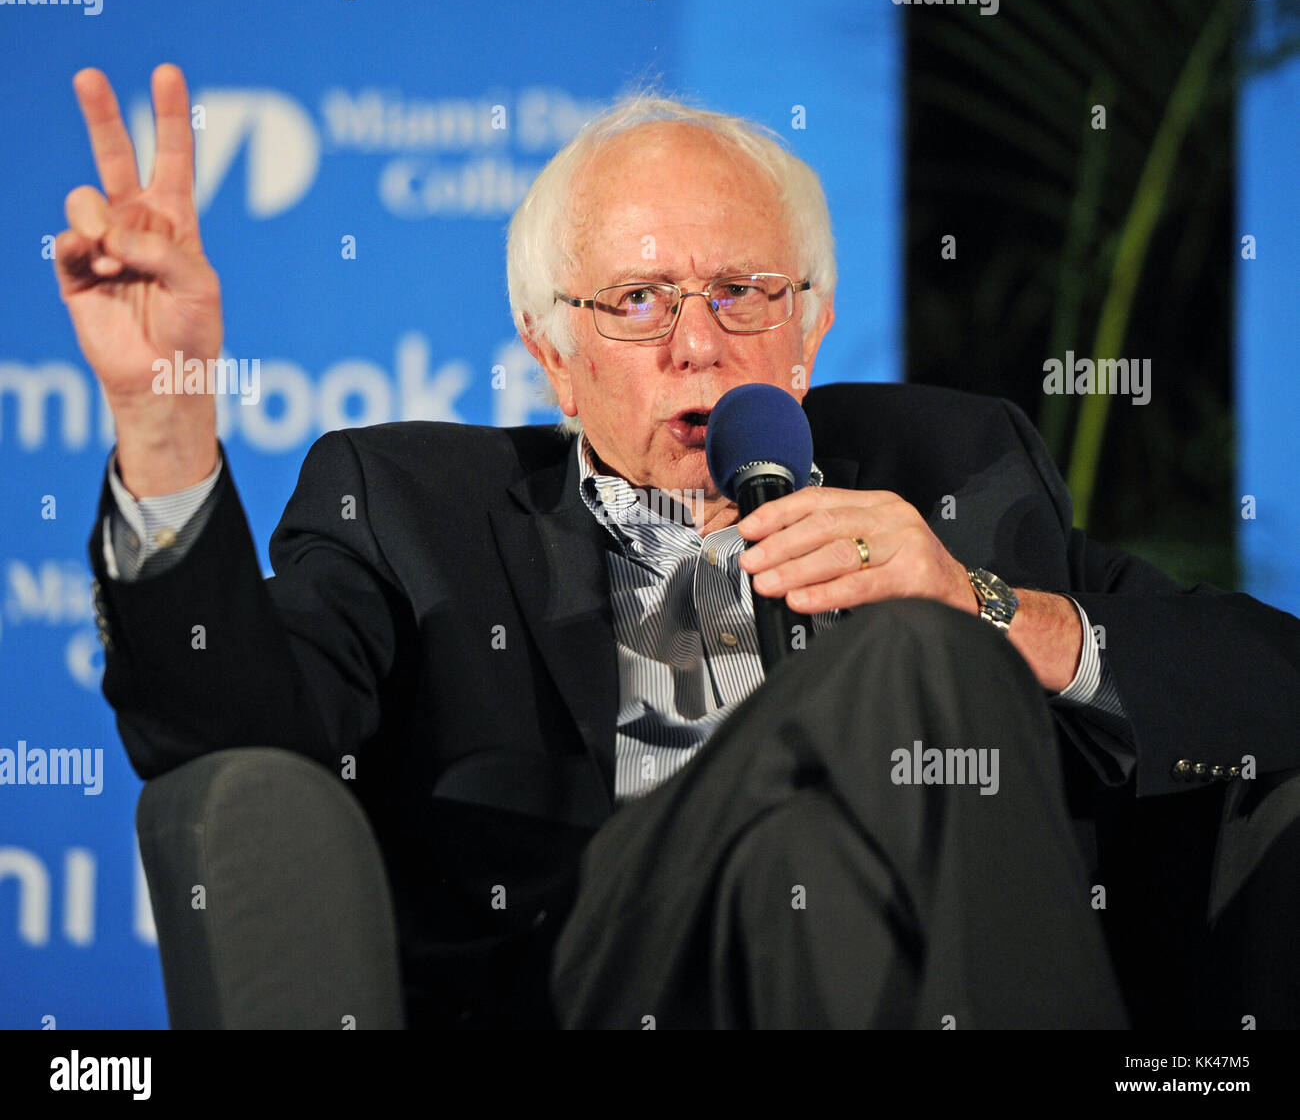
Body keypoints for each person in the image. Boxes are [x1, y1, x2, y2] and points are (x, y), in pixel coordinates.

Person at [57, 64, 1300, 1028]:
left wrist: (979, 599)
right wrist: (164, 430)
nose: (698, 345)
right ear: (553, 351)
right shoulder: (408, 505)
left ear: (806, 328)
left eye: (744, 293)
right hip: (594, 965)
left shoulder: (951, 471)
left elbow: (1267, 683)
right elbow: (228, 735)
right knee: (909, 659)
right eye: (638, 302)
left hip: (865, 954)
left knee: (872, 752)